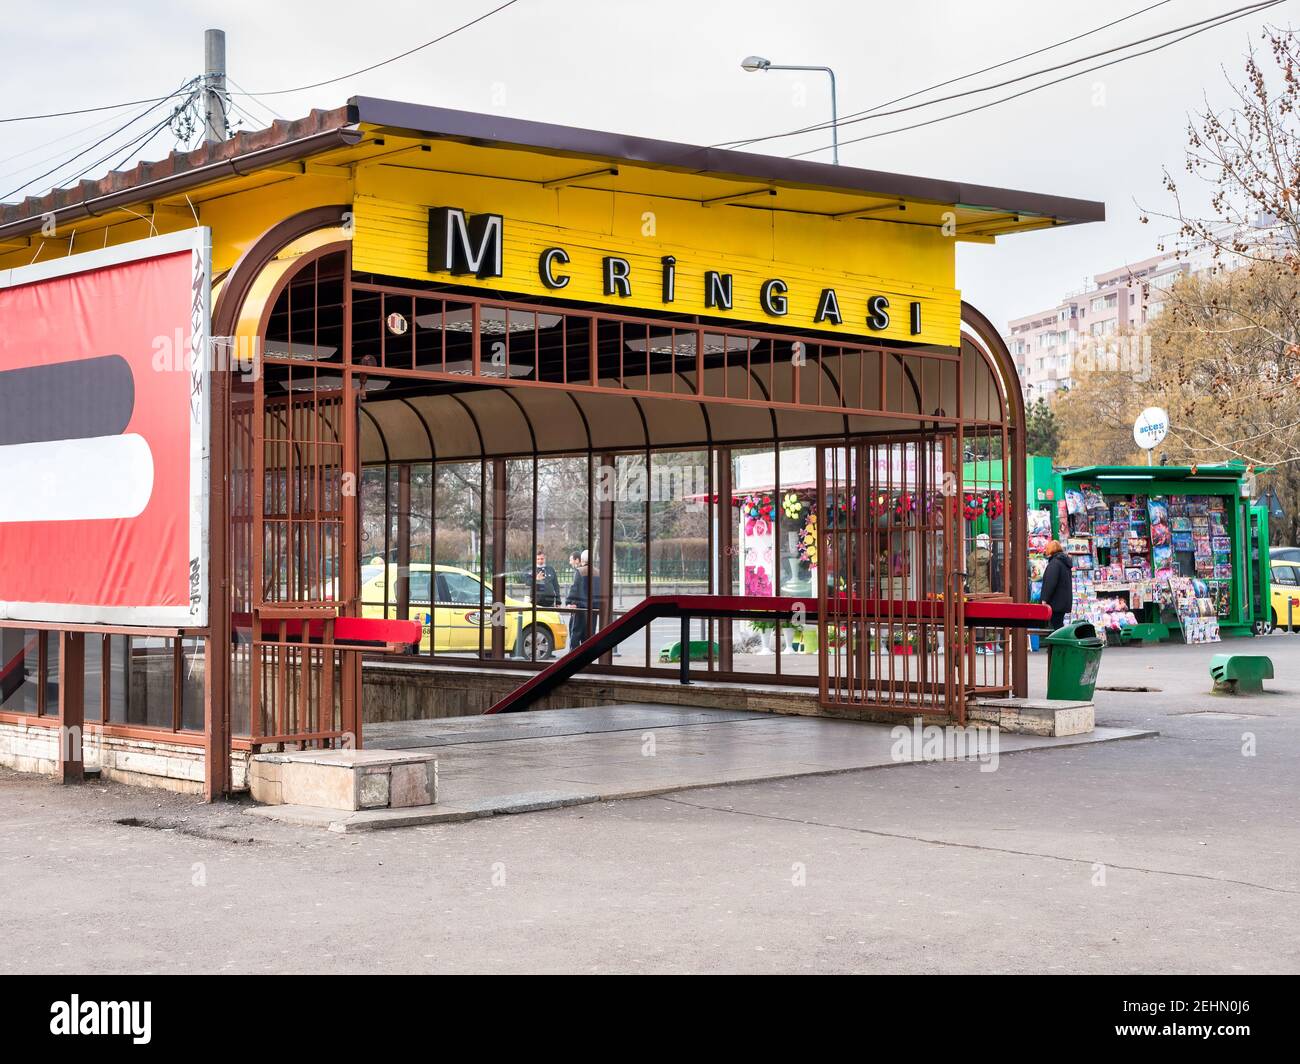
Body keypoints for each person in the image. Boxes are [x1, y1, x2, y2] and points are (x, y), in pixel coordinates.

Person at [1039, 539, 1073, 632]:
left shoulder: (1055, 563)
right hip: (1062, 602)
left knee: (1055, 627)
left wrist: (1044, 599)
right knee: (1058, 625)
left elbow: (1050, 583)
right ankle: (1059, 645)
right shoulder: (1064, 563)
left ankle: (1059, 646)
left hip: (1055, 603)